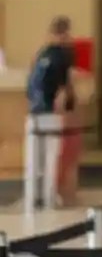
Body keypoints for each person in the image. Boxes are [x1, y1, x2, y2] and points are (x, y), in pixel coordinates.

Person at [26, 16, 80, 205]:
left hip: (34, 110)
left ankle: (33, 195)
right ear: (65, 33)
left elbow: (32, 83)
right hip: (50, 112)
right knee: (51, 156)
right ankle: (49, 197)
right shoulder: (64, 55)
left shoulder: (42, 53)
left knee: (34, 158)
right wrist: (66, 107)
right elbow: (65, 86)